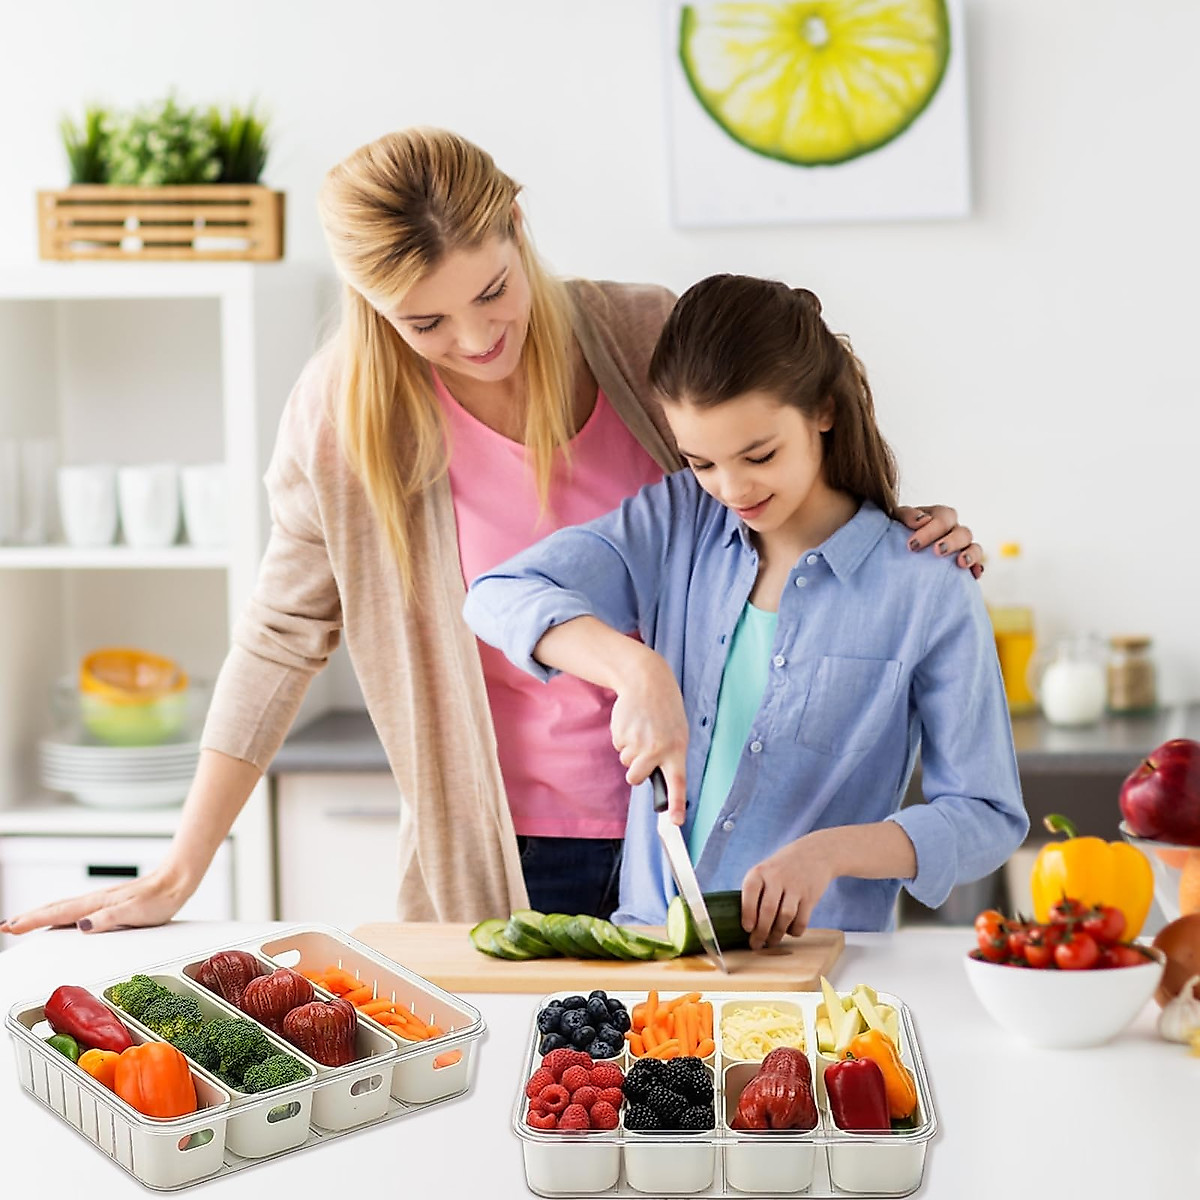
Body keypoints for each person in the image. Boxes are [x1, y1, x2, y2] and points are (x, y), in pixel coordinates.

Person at [0, 132, 981, 937]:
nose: (474, 341)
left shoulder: (642, 336)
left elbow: (777, 439)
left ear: (518, 226)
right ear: (373, 307)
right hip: (502, 840)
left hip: (694, 825)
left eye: (491, 292)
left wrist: (894, 526)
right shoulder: (347, 419)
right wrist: (180, 867)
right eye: (425, 322)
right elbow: (281, 634)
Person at [464, 274, 1028, 947]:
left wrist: (832, 852)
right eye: (703, 462)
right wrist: (635, 669)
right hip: (653, 956)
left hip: (818, 963)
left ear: (823, 410)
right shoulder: (677, 520)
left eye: (759, 455)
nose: (732, 489)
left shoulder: (927, 586)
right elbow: (496, 595)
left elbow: (986, 815)